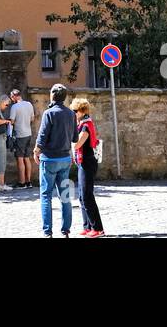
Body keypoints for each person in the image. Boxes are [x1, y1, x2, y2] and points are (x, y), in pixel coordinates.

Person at [33, 83, 76, 237]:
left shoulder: (49, 113)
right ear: (64, 97)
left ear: (52, 95)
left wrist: (36, 150)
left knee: (45, 195)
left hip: (49, 159)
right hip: (65, 159)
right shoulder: (71, 114)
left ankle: (47, 232)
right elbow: (75, 137)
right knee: (65, 196)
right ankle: (65, 231)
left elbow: (42, 136)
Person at [71, 99, 104, 237]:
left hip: (88, 163)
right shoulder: (80, 124)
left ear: (82, 111)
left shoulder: (86, 125)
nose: (74, 113)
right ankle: (88, 226)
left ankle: (98, 228)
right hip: (82, 162)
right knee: (81, 196)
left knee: (87, 195)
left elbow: (77, 144)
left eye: (75, 111)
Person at [8, 88, 35, 188]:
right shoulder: (29, 104)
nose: (11, 99)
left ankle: (22, 182)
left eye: (11, 97)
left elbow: (12, 121)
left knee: (20, 159)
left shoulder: (14, 107)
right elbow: (32, 118)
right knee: (27, 158)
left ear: (14, 96)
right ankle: (29, 182)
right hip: (28, 133)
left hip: (20, 135)